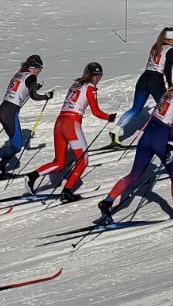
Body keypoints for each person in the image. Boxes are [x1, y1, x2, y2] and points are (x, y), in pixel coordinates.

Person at [96, 72, 173, 225]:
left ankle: (108, 200)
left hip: (148, 135)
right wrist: (170, 145)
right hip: (162, 138)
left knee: (134, 175)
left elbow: (158, 113)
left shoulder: (167, 93)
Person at [25, 62, 116, 203]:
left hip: (59, 122)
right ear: (90, 75)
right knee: (83, 161)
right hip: (71, 124)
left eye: (100, 75)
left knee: (60, 163)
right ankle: (66, 192)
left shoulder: (76, 84)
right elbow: (96, 111)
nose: (98, 78)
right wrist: (108, 117)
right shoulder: (91, 88)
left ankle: (33, 175)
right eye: (96, 75)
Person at [0, 55, 53, 175]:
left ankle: (1, 166)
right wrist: (45, 97)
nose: (40, 72)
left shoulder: (20, 74)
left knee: (15, 143)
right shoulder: (31, 77)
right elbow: (34, 96)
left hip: (4, 109)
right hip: (10, 112)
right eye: (40, 69)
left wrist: (35, 87)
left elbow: (23, 88)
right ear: (36, 67)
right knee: (17, 146)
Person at [113, 28, 173, 143]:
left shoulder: (157, 46)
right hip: (155, 79)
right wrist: (170, 83)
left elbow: (161, 58)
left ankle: (116, 129)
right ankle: (163, 134)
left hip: (144, 78)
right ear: (172, 39)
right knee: (164, 106)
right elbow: (167, 67)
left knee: (136, 108)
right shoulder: (170, 50)